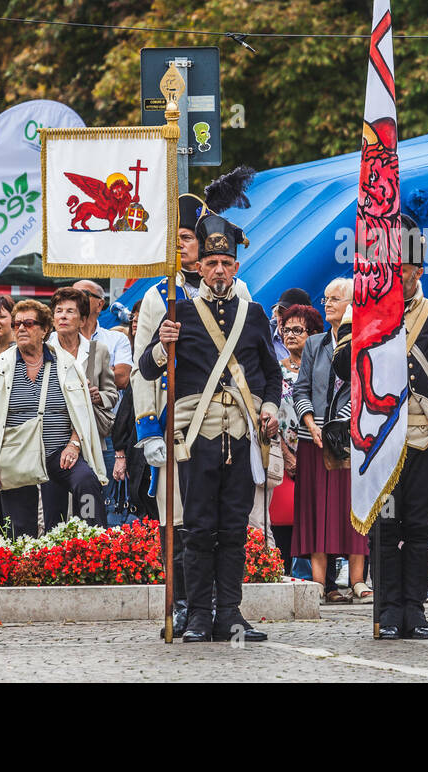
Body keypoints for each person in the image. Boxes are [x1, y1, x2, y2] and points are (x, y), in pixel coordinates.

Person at [139, 210, 281, 643]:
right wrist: (163, 345)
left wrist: (272, 406)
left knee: (235, 528)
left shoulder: (253, 313)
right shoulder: (177, 310)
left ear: (236, 268)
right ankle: (199, 614)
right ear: (199, 266)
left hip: (241, 433)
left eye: (226, 264)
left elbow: (271, 373)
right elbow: (146, 369)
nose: (219, 271)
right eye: (211, 264)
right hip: (195, 436)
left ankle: (231, 614)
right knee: (199, 527)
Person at [333, 213, 428, 641]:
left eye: (407, 270)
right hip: (379, 439)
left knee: (418, 526)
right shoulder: (362, 308)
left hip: (423, 438)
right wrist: (366, 328)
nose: (400, 276)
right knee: (385, 526)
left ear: (418, 270)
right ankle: (387, 609)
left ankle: (415, 609)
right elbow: (343, 367)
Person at [0, 298, 108, 537]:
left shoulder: (67, 365)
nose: (21, 329)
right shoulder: (0, 367)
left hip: (59, 452)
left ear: (45, 329)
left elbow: (82, 413)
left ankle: (94, 542)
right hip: (15, 455)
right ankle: (23, 570)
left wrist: (74, 444)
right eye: (17, 324)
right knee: (20, 530)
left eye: (29, 323)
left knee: (87, 483)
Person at [291, 278, 360, 596]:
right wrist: (311, 422)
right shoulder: (314, 344)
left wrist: (341, 424)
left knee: (350, 508)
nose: (328, 304)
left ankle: (357, 581)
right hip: (312, 438)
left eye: (335, 299)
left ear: (351, 304)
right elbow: (300, 388)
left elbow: (363, 390)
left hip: (349, 438)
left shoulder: (362, 341)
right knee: (316, 508)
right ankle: (321, 582)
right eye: (326, 299)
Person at [262, 303, 321, 555]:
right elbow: (267, 413)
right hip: (284, 455)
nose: (290, 335)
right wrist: (287, 454)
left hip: (318, 452)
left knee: (319, 521)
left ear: (314, 334)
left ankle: (323, 582)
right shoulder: (275, 369)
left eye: (298, 330)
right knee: (284, 521)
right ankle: (282, 574)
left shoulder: (323, 368)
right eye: (285, 329)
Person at [48, 287, 119, 450]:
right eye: (59, 311)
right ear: (53, 319)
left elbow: (112, 394)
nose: (63, 316)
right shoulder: (44, 350)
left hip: (91, 436)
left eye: (70, 311)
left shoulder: (97, 350)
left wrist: (97, 396)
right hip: (52, 436)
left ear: (82, 320)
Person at [71, 279, 132, 391]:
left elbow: (122, 379)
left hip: (106, 407)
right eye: (71, 295)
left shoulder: (117, 338)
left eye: (83, 294)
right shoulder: (54, 339)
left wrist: (73, 374)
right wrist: (105, 371)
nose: (75, 299)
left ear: (100, 304)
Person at [270, 288, 312, 362]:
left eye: (289, 314)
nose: (282, 319)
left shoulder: (317, 345)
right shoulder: (262, 337)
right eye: (280, 313)